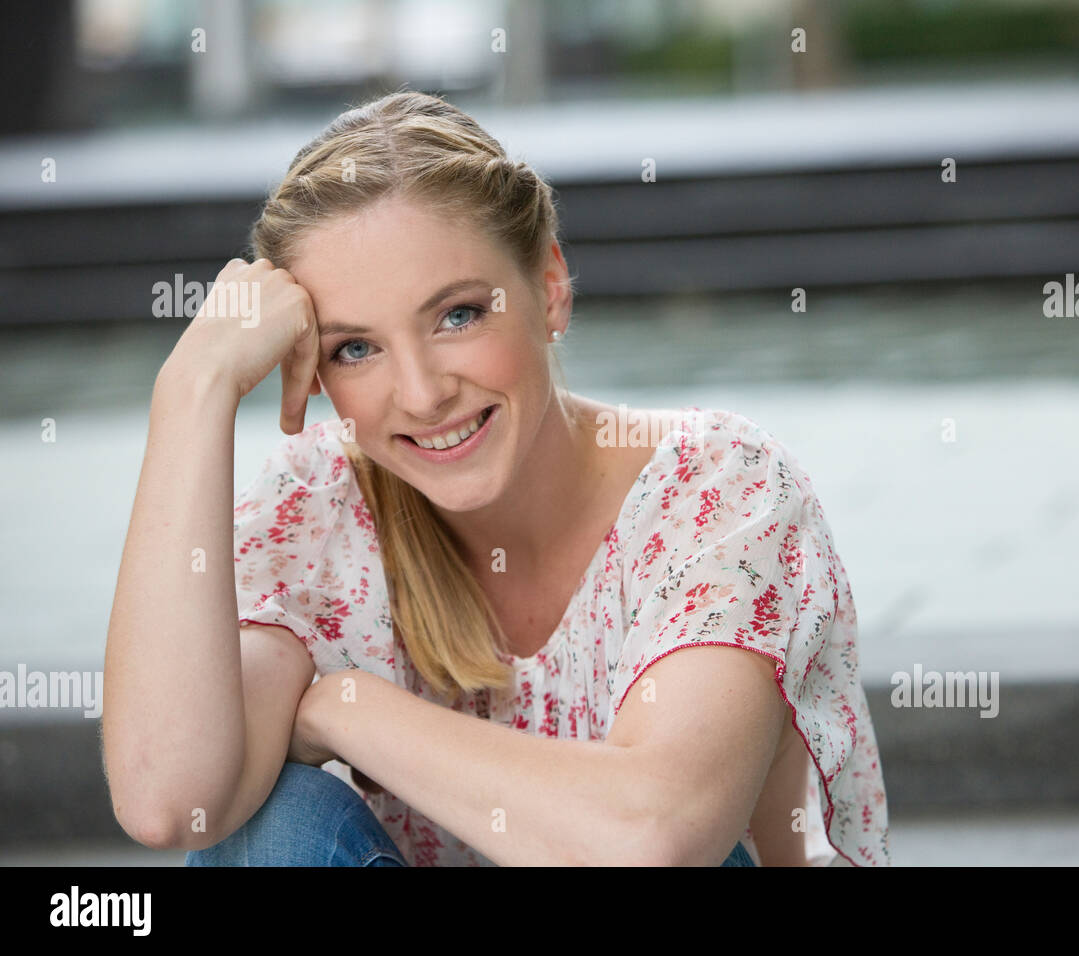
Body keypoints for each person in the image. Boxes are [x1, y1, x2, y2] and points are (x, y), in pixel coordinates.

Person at [103, 90, 889, 866]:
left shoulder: (722, 488)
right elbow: (170, 800)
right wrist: (192, 393)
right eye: (355, 348)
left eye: (458, 315)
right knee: (270, 829)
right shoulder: (323, 511)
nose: (421, 394)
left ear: (549, 286)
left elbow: (655, 841)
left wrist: (347, 706)